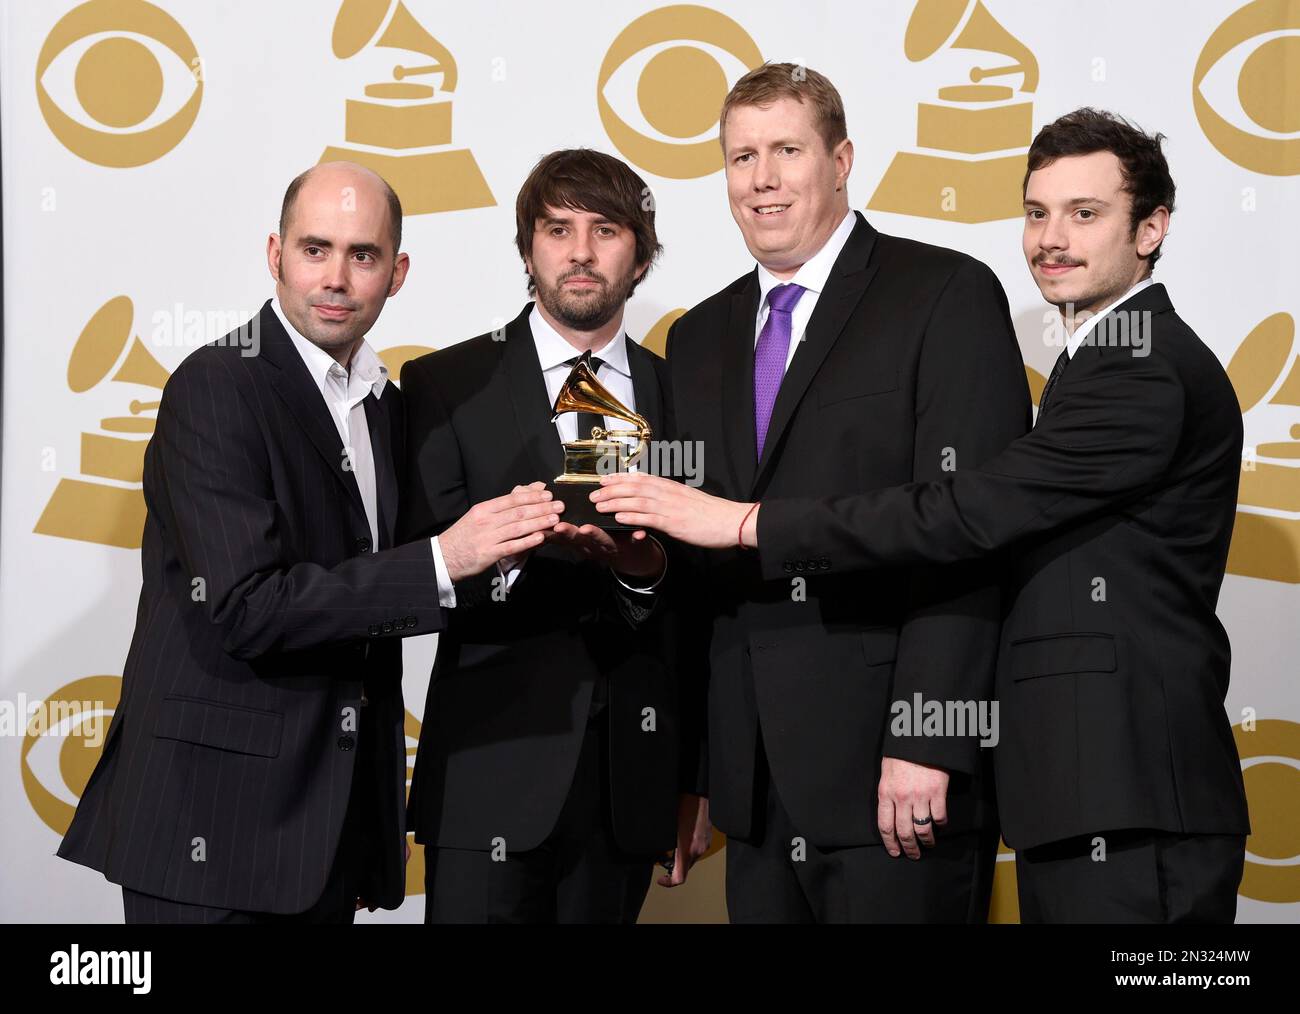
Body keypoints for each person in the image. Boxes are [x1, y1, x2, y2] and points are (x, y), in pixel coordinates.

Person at [595, 108, 1251, 923]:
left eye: (1086, 214)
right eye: (1037, 212)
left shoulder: (1141, 368)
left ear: (1151, 228)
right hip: (1076, 793)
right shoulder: (1100, 364)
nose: (1052, 238)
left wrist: (745, 523)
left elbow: (965, 513)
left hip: (1127, 792)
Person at [57, 162, 560, 923]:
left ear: (397, 273)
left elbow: (381, 601)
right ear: (275, 255)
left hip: (325, 834)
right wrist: (446, 557)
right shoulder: (217, 385)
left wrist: (516, 546)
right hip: (211, 825)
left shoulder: (385, 406)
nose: (335, 276)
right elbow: (248, 606)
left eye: (362, 255)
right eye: (314, 248)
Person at [600, 64, 1029, 923]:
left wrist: (929, 736)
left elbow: (972, 531)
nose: (760, 178)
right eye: (740, 156)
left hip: (895, 779)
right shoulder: (699, 336)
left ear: (841, 161)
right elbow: (701, 568)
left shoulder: (945, 293)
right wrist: (691, 776)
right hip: (751, 792)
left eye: (786, 150)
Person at [399, 149, 708, 923]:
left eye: (606, 230)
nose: (580, 252)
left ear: (640, 254)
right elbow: (412, 573)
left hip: (630, 784)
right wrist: (509, 555)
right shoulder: (447, 385)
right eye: (557, 229)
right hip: (486, 776)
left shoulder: (687, 393)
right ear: (526, 247)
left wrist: (640, 573)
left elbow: (704, 606)